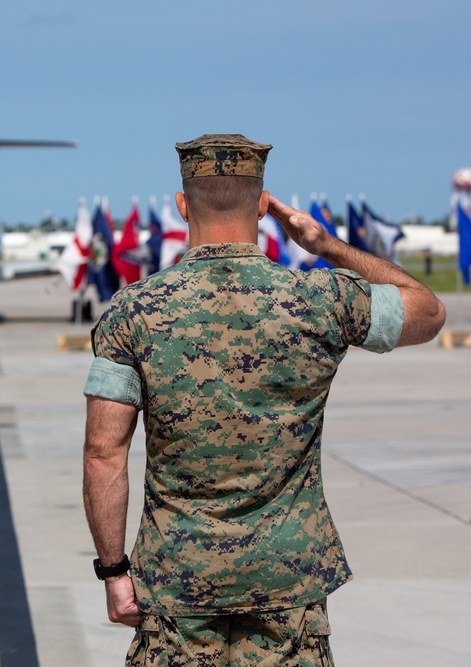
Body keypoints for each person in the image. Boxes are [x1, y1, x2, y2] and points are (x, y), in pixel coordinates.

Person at [82, 134, 446, 666]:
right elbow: (429, 312)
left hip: (179, 589)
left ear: (183, 206)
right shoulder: (320, 300)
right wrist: (327, 247)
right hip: (288, 586)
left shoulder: (133, 313)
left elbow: (103, 453)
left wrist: (114, 573)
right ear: (262, 205)